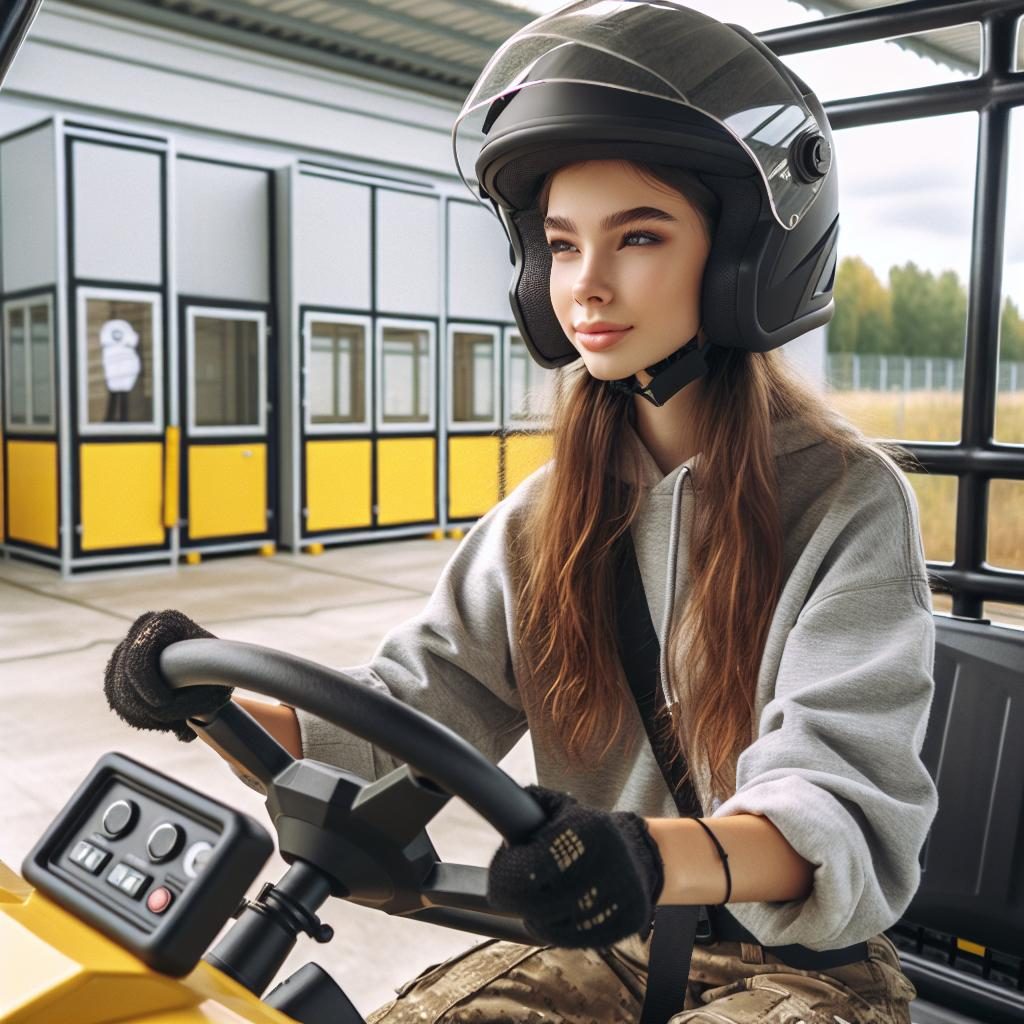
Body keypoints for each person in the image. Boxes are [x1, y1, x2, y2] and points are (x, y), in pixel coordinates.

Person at [103, 3, 938, 1022]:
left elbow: (830, 805)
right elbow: (399, 716)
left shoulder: (848, 503)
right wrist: (207, 695)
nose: (585, 283)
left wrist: (641, 853)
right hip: (609, 939)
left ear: (736, 262)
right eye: (560, 244)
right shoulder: (547, 516)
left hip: (800, 967)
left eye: (637, 235)